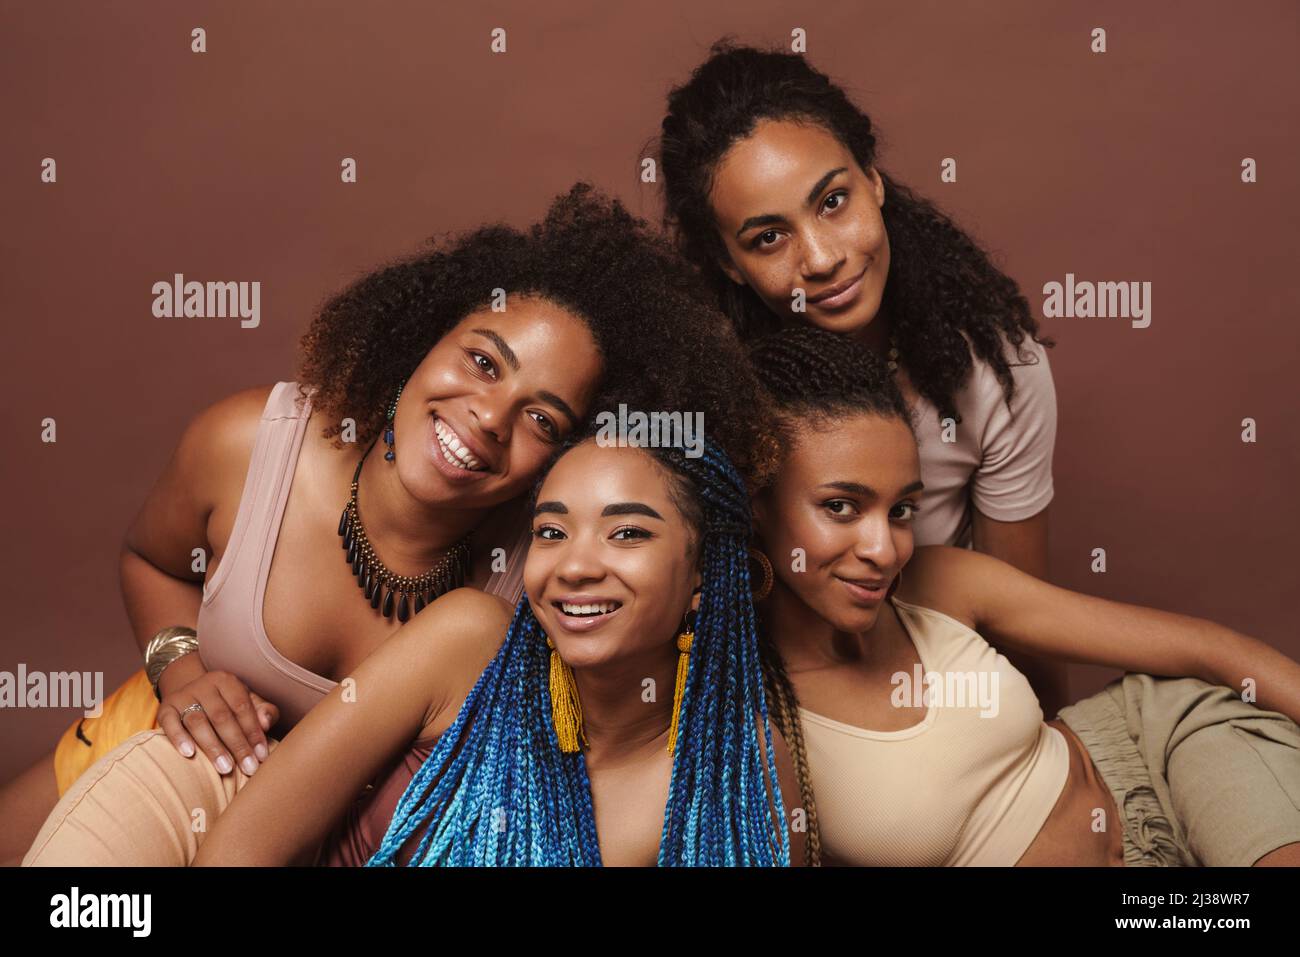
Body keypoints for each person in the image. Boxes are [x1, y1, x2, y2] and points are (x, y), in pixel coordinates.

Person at [3, 182, 734, 864]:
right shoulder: (254, 444)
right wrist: (182, 669)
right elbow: (151, 558)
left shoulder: (539, 581)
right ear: (423, 337)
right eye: (482, 360)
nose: (487, 416)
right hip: (172, 746)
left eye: (541, 417)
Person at [25, 342, 805, 865]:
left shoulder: (745, 769)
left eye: (627, 531)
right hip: (188, 773)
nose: (574, 566)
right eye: (551, 529)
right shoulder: (471, 638)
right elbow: (236, 853)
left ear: (704, 574)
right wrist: (177, 662)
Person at [748, 326, 1300, 867]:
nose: (884, 551)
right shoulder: (747, 715)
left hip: (1164, 753)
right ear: (754, 504)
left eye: (900, 511)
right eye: (841, 506)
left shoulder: (940, 585)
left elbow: (1209, 648)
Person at [658, 40, 1068, 713]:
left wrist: (1052, 756)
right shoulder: (694, 397)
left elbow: (1025, 629)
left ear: (873, 181)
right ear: (727, 262)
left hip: (947, 706)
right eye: (768, 237)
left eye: (833, 200)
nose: (822, 258)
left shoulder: (997, 374)